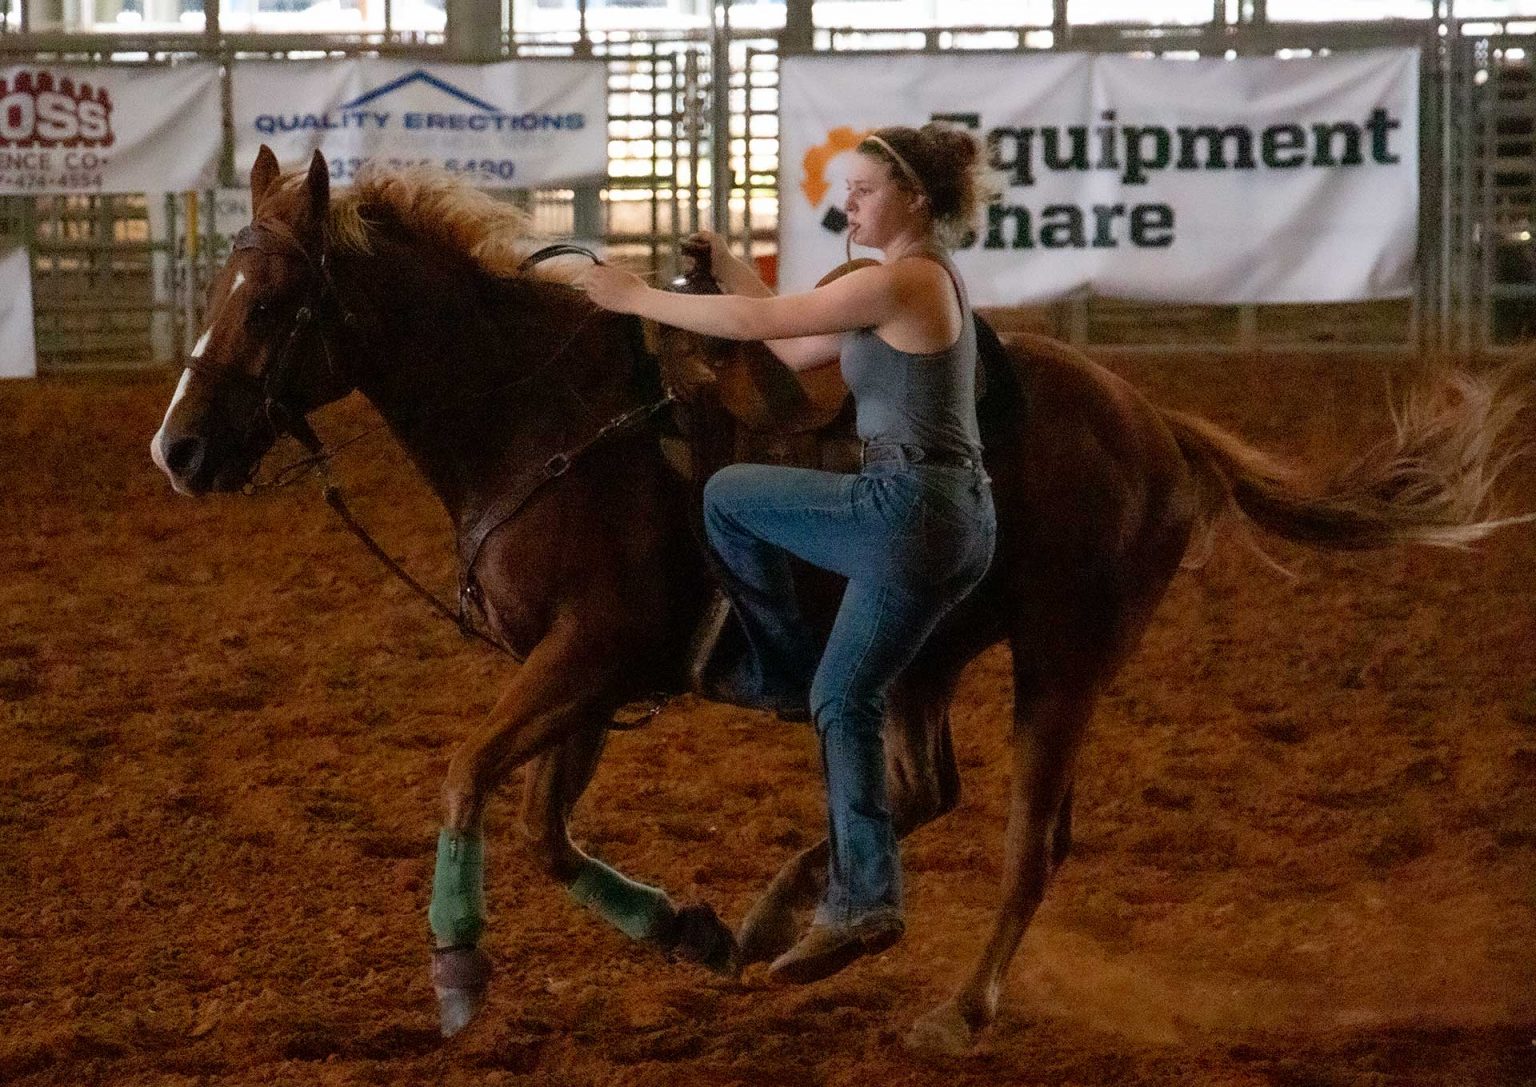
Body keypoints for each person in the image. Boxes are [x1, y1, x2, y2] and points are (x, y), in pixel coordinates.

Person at [578, 123, 997, 984]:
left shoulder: (905, 281)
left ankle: (775, 670)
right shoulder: (913, 283)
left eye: (865, 190)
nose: (848, 203)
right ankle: (865, 897)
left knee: (730, 494)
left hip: (907, 507)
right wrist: (729, 263)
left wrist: (633, 297)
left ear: (914, 200)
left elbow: (763, 322)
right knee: (845, 699)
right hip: (951, 515)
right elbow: (791, 343)